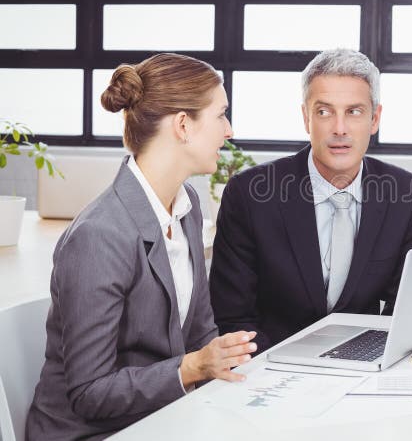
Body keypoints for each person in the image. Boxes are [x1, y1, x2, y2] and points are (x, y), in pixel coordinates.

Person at [27, 53, 258, 440]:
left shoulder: (187, 206)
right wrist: (193, 367)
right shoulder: (98, 235)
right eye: (220, 115)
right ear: (183, 125)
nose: (229, 130)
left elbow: (202, 333)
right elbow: (90, 394)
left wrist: (222, 367)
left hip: (161, 421)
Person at [209, 48, 412, 353]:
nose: (339, 129)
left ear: (374, 119)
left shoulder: (401, 192)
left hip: (360, 367)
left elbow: (401, 311)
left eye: (354, 111)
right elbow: (232, 319)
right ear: (305, 118)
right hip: (270, 368)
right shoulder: (249, 195)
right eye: (324, 112)